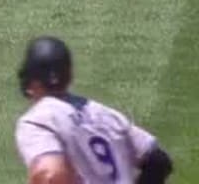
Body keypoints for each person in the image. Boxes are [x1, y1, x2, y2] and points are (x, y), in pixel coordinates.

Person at [14, 36, 173, 184]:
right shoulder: (107, 115)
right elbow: (158, 161)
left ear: (32, 82)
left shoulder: (37, 121)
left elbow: (51, 174)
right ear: (69, 75)